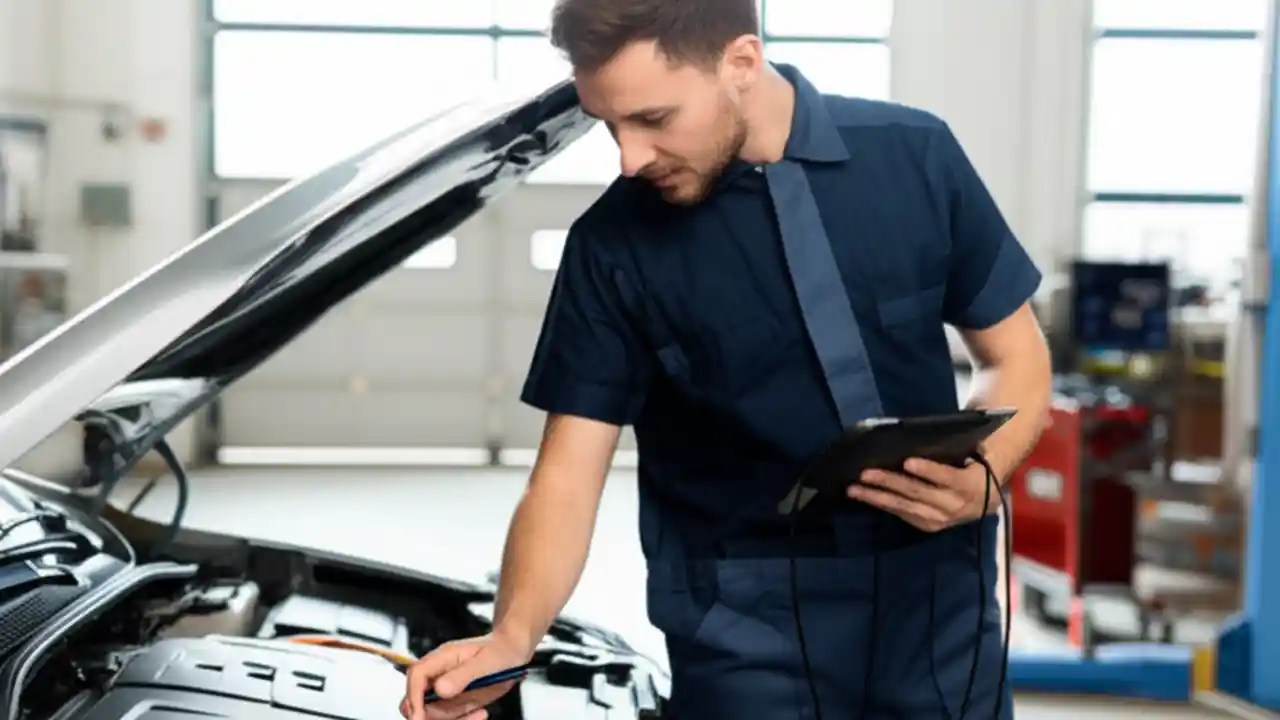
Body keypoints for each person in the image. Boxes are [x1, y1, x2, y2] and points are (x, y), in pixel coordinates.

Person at [400, 0, 1052, 718]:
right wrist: (511, 636)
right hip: (744, 631)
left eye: (652, 119)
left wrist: (986, 480)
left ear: (740, 62)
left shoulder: (916, 155)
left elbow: (1015, 355)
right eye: (608, 124)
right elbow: (565, 478)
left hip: (935, 610)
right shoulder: (612, 246)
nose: (629, 156)